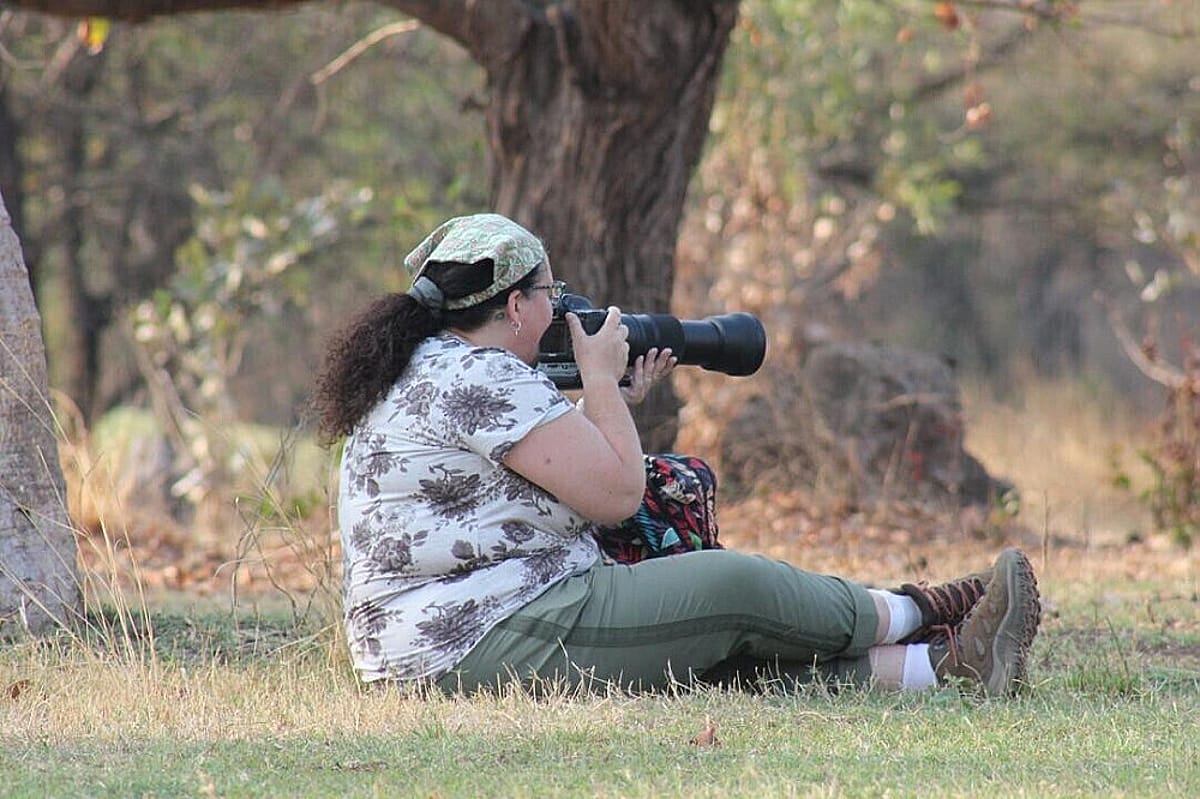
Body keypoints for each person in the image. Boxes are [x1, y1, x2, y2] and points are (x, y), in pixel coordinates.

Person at [312, 213, 1041, 696]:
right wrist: (600, 380)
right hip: (476, 634)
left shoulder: (428, 366)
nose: (557, 306)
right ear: (514, 306)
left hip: (440, 639)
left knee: (710, 653)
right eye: (548, 292)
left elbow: (535, 470)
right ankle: (928, 608)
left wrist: (611, 402)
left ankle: (943, 668)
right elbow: (616, 497)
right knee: (727, 588)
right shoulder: (481, 375)